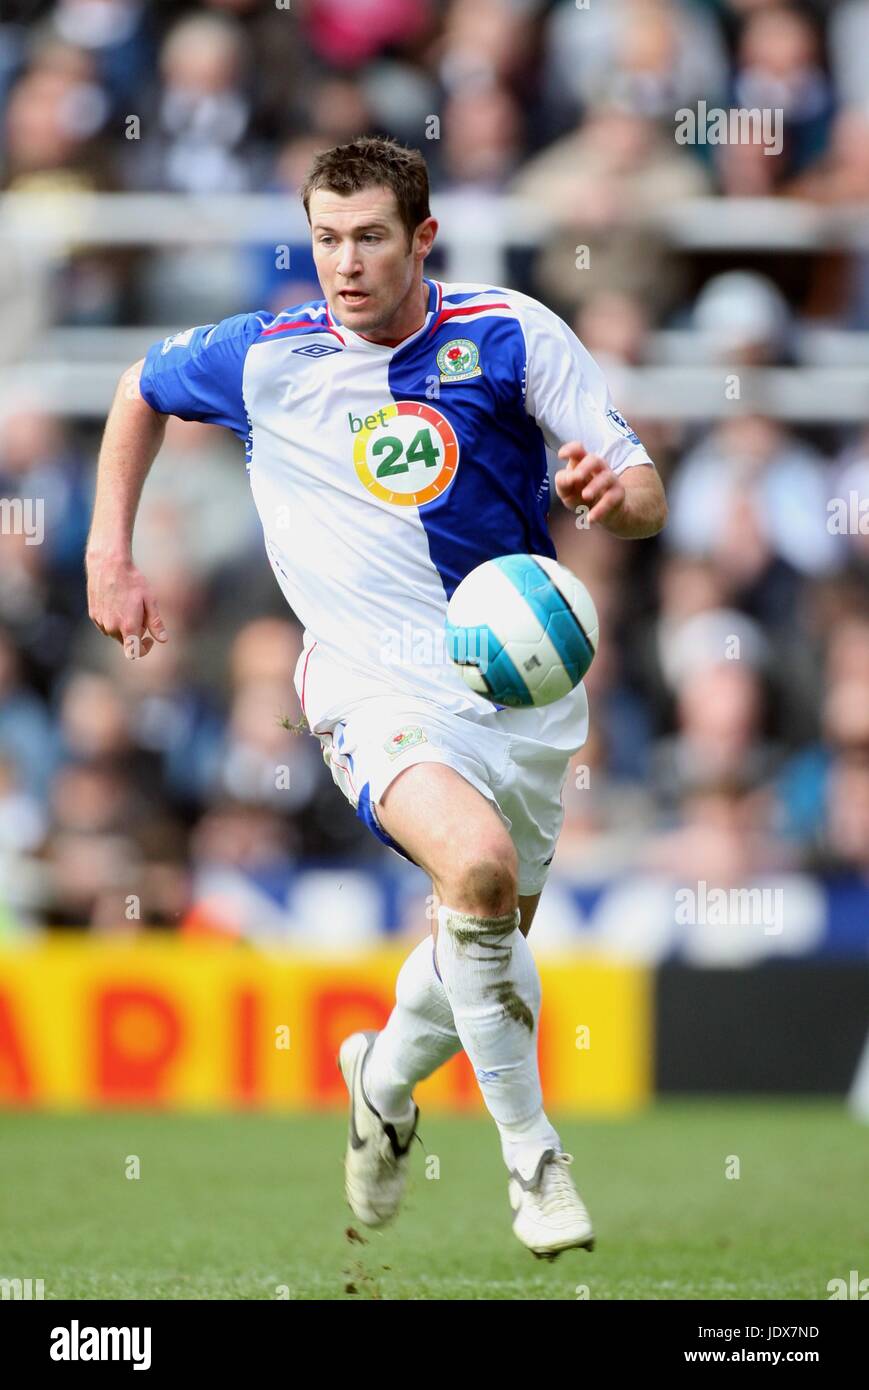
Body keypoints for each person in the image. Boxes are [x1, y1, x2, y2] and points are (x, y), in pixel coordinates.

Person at [86, 135, 667, 1258]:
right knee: (479, 874)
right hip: (364, 680)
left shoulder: (508, 332)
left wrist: (610, 494)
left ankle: (381, 1077)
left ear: (422, 239)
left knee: (475, 942)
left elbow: (638, 485)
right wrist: (108, 553)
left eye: (367, 239)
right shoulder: (264, 356)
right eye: (324, 240)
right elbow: (135, 387)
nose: (343, 265)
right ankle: (532, 1157)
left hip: (522, 692)